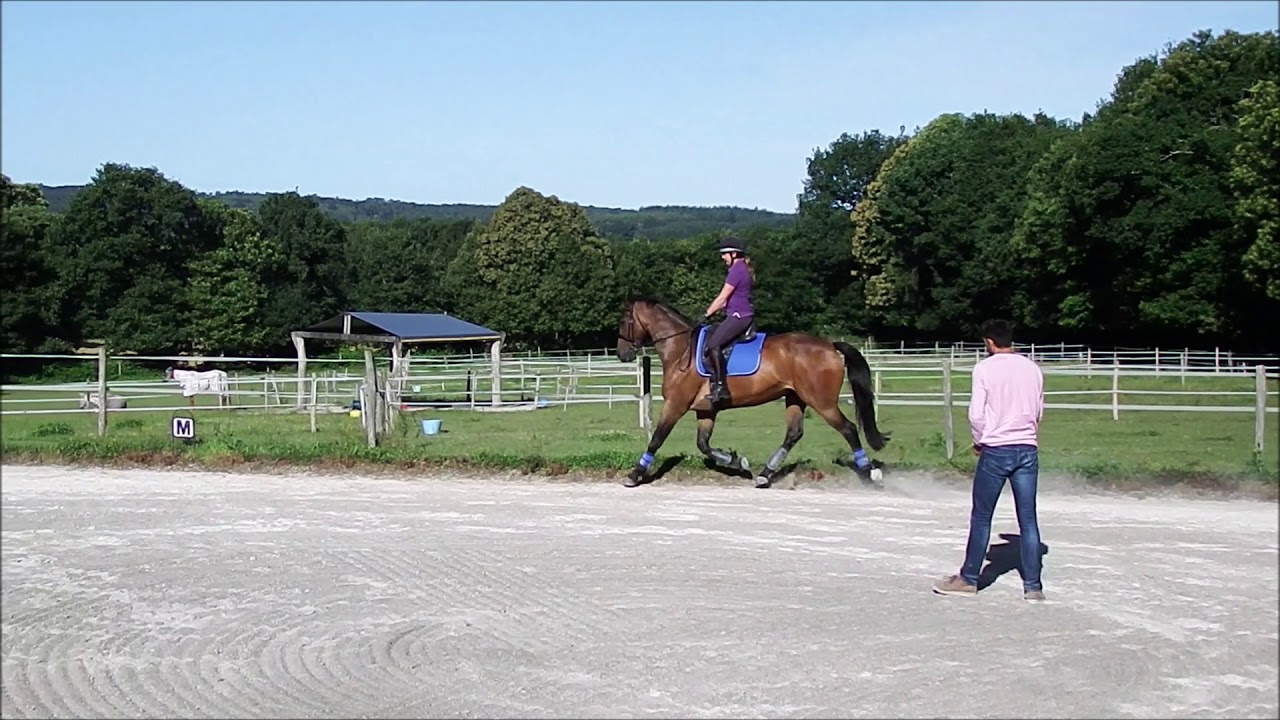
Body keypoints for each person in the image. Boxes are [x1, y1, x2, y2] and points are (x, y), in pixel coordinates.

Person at [933, 318, 1047, 602]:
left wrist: (979, 439)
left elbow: (976, 413)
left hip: (996, 448)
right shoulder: (1033, 368)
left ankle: (969, 578)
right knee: (1028, 519)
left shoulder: (984, 368)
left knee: (982, 516)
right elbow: (1038, 409)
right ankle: (1033, 586)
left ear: (989, 342)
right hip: (1027, 447)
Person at [701, 237, 755, 406]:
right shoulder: (740, 269)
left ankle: (720, 387)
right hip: (737, 314)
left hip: (739, 316)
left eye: (724, 254)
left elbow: (722, 298)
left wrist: (706, 314)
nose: (722, 257)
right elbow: (725, 301)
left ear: (734, 254)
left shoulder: (737, 271)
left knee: (713, 345)